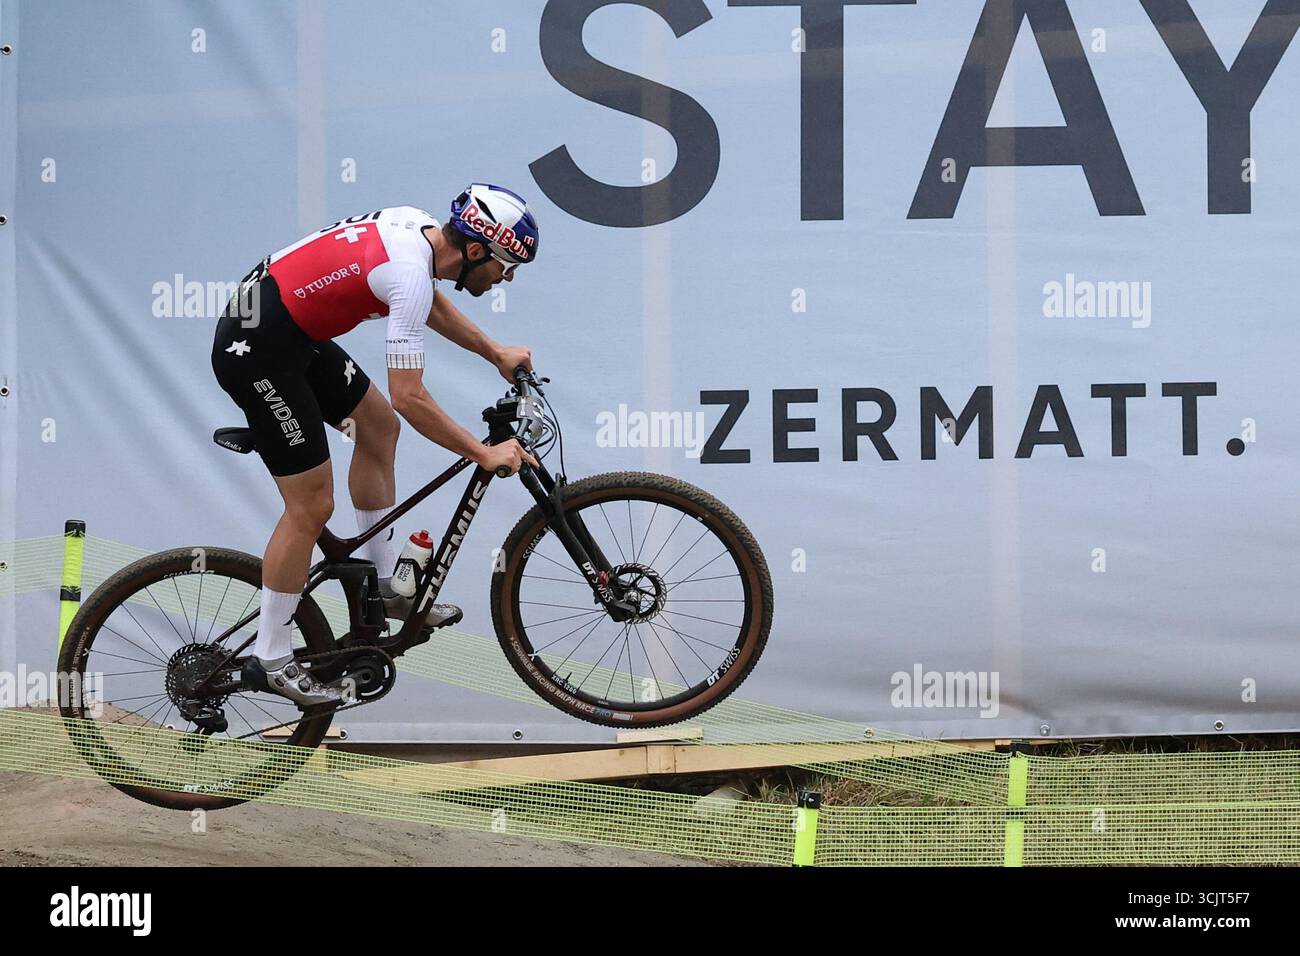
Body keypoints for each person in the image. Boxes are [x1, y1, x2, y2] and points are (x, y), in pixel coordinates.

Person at [210, 184, 540, 706]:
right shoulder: (409, 271)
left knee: (378, 427)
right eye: (505, 264)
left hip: (291, 332)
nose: (508, 277)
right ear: (475, 250)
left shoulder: (420, 234)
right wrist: (482, 453)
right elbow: (410, 396)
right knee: (312, 505)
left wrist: (493, 351)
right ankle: (270, 656)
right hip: (257, 353)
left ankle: (385, 587)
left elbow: (428, 303)